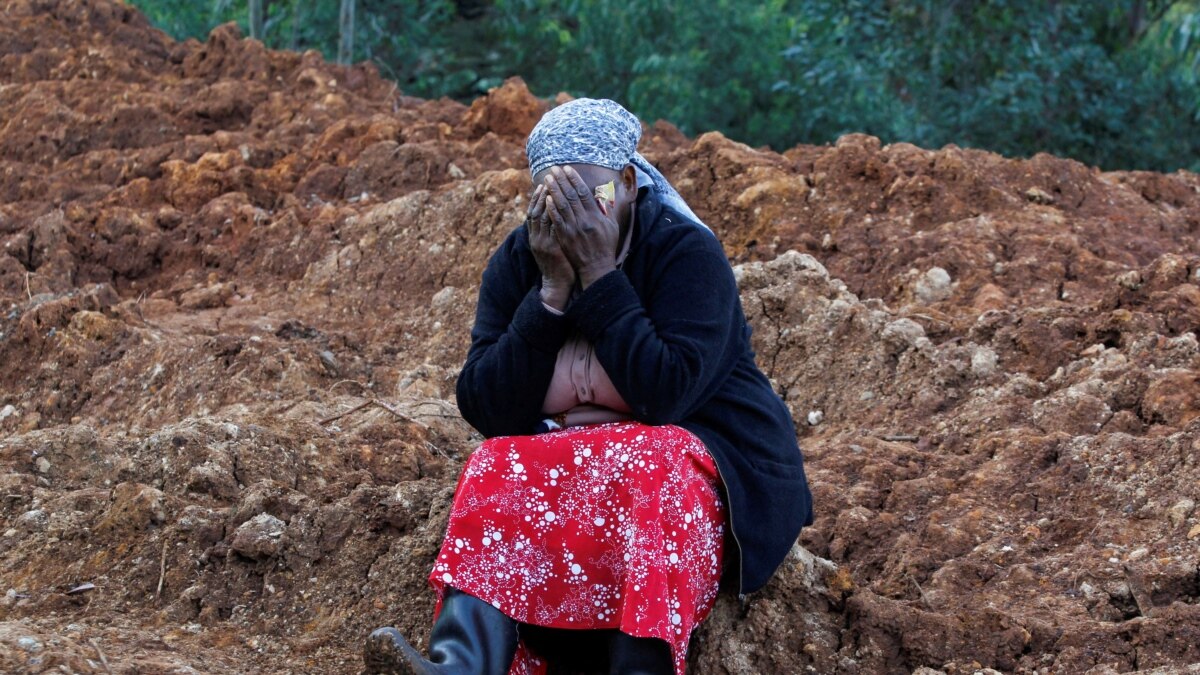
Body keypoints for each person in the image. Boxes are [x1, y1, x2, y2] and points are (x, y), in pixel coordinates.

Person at [363, 98, 813, 675]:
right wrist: (550, 294)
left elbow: (666, 395)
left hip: (704, 471)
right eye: (554, 199)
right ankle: (463, 666)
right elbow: (485, 405)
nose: (574, 216)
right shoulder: (522, 259)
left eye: (591, 195)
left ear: (627, 184)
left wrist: (599, 276)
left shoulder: (684, 252)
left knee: (651, 457)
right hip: (586, 473)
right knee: (494, 463)